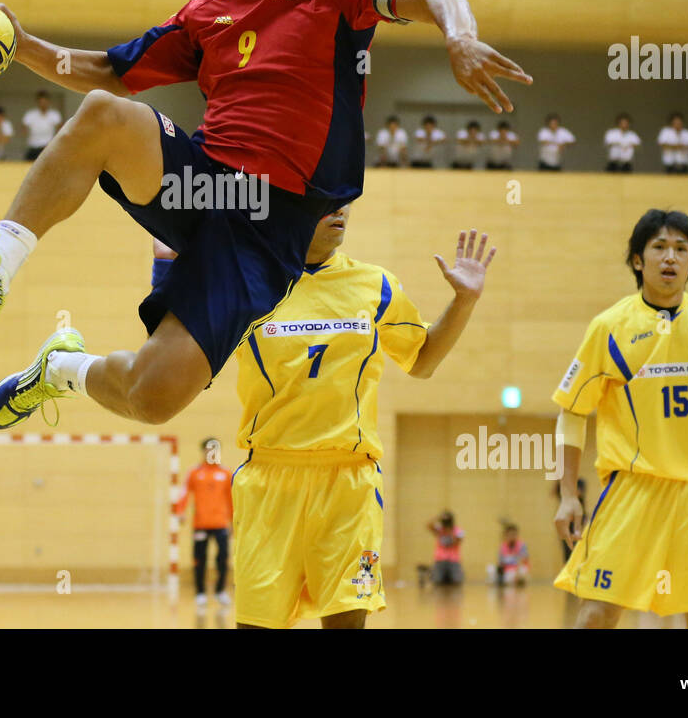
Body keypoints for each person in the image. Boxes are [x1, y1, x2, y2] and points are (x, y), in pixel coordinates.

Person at [0, 0, 529, 436]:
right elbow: (111, 70)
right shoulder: (211, 12)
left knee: (153, 398)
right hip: (205, 183)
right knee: (103, 112)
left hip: (272, 228)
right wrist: (21, 46)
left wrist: (458, 36)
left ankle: (61, 369)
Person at [153, 206, 494, 628]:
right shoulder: (247, 282)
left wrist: (464, 302)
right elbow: (169, 354)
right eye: (326, 197)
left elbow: (421, 360)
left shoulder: (376, 285)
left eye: (347, 198)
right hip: (269, 482)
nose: (341, 208)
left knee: (347, 622)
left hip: (348, 482)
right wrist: (165, 267)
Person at [552, 209, 688, 628]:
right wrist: (569, 494)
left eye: (682, 249)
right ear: (637, 260)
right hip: (633, 491)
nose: (670, 258)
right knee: (595, 613)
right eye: (659, 247)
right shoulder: (609, 327)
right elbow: (572, 412)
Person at [173, 436, 233, 608]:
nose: (211, 452)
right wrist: (180, 512)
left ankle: (220, 591)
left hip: (221, 524)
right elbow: (184, 494)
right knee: (200, 559)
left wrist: (233, 522)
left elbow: (231, 500)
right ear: (204, 451)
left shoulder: (226, 473)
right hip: (201, 524)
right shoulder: (194, 472)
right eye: (208, 449)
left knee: (222, 559)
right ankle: (200, 592)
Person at [21, 91, 62, 161]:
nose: (43, 104)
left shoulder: (54, 115)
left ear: (48, 102)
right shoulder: (30, 115)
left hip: (48, 147)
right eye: (41, 102)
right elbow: (23, 130)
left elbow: (60, 130)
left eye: (45, 102)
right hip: (33, 146)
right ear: (38, 102)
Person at [429, 511, 465, 584]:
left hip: (453, 560)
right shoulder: (440, 529)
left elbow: (457, 542)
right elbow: (429, 525)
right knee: (436, 581)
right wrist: (438, 517)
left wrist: (450, 531)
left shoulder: (458, 531)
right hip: (440, 559)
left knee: (457, 581)